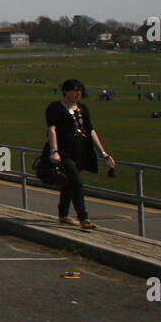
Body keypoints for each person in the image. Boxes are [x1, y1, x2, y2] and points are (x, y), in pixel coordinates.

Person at [46, 79, 116, 230]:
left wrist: (103, 153)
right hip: (63, 152)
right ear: (65, 91)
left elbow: (90, 131)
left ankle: (63, 215)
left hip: (80, 152)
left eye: (80, 90)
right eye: (75, 90)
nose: (78, 93)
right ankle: (83, 218)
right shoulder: (55, 107)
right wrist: (54, 151)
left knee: (68, 183)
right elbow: (51, 129)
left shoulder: (83, 108)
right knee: (77, 182)